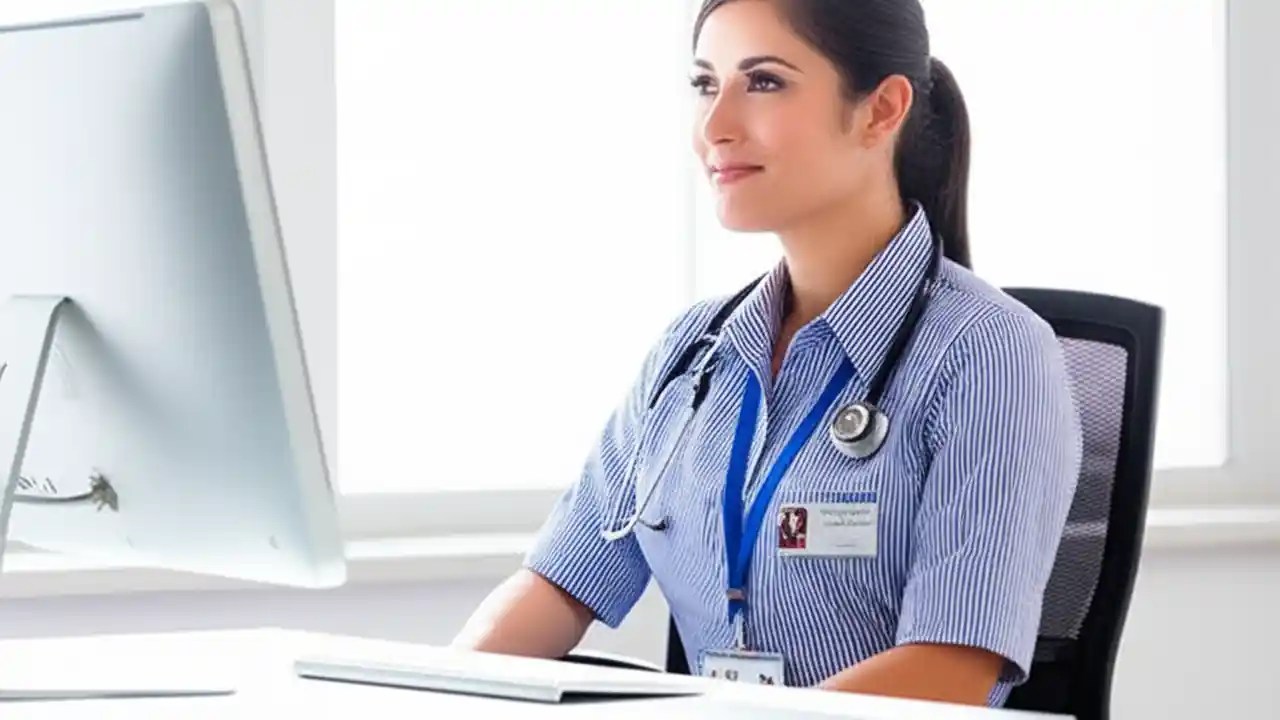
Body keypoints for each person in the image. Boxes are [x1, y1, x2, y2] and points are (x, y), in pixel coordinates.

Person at [452, 0, 1082, 708]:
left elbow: (949, 673)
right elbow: (559, 584)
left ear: (879, 112)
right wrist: (432, 695)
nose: (714, 127)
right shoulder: (692, 355)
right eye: (703, 85)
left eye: (764, 82)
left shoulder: (991, 356)